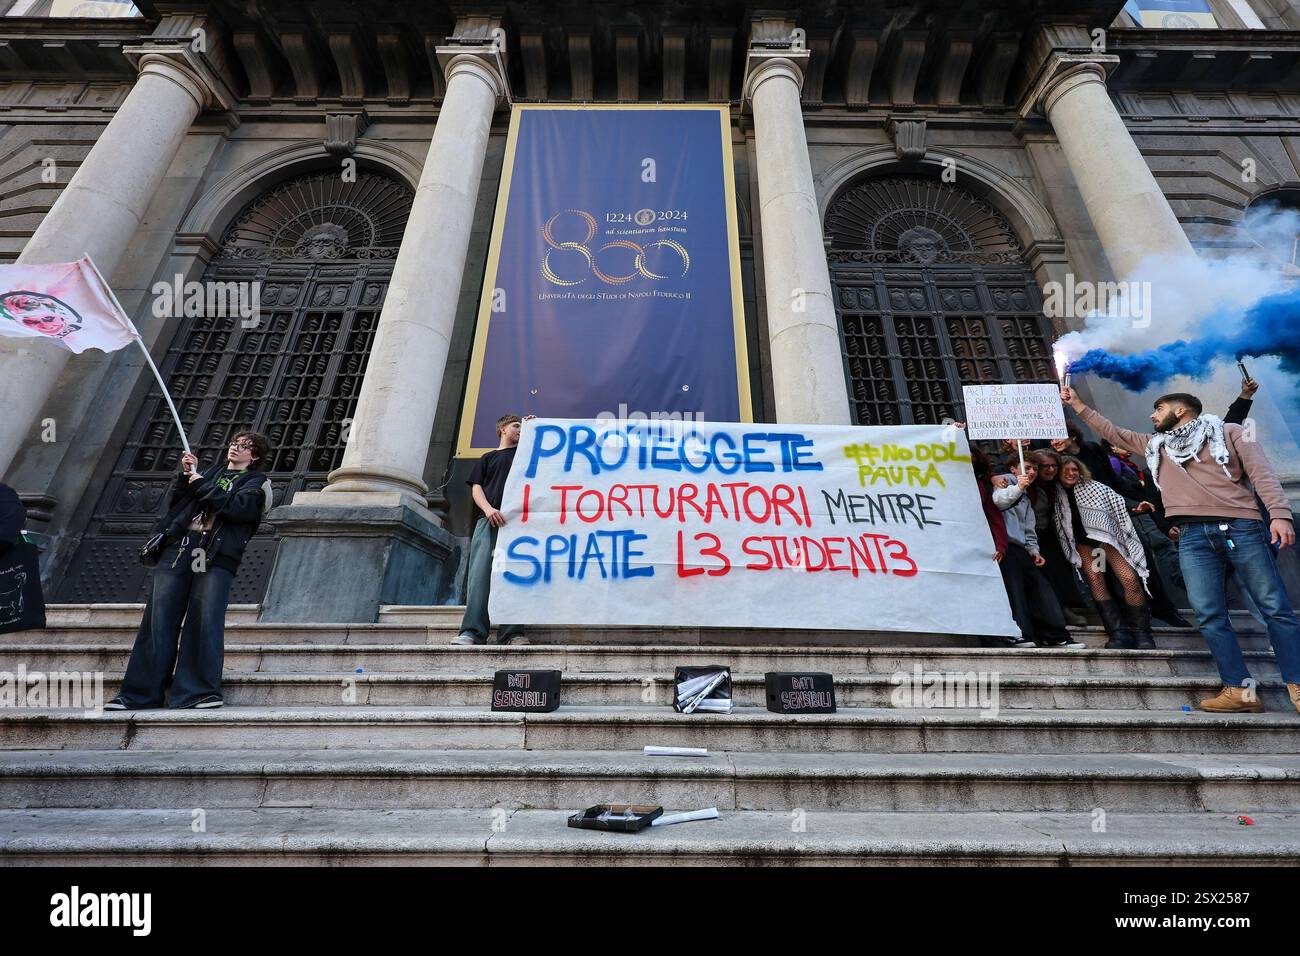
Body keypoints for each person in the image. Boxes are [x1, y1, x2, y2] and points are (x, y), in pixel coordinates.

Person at [1063, 386, 1298, 713]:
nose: (1151, 415)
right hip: (1191, 536)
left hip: (1241, 527)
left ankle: (1297, 686)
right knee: (1209, 613)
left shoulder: (1229, 432)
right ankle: (1239, 691)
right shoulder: (1156, 446)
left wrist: (1280, 515)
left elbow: (1263, 476)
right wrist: (1078, 405)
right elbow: (1114, 432)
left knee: (1275, 607)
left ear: (1182, 410)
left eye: (1158, 409)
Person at [106, 432, 274, 710]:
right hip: (180, 549)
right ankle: (138, 694)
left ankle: (197, 693)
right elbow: (178, 506)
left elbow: (239, 510)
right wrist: (186, 477)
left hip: (216, 556)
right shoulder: (208, 473)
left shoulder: (256, 482)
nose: (235, 448)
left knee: (204, 621)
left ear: (253, 456)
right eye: (234, 443)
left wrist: (203, 484)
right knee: (158, 621)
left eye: (244, 446)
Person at [1053, 456, 1155, 649]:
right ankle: (1118, 633)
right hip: (1085, 545)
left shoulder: (1094, 488)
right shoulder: (1055, 494)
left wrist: (1135, 505)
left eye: (1075, 469)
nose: (1071, 473)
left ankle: (1142, 633)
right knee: (1096, 580)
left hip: (1106, 540)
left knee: (1130, 579)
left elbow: (1116, 500)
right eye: (1066, 470)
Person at [453, 413, 535, 647]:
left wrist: (534, 426)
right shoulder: (487, 458)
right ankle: (472, 632)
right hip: (488, 521)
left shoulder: (525, 455)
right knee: (480, 576)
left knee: (515, 574)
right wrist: (489, 510)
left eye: (521, 426)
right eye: (516, 425)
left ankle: (513, 633)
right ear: (502, 429)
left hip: (518, 525)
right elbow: (476, 488)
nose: (520, 430)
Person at [992, 457, 1084, 648]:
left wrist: (1033, 550)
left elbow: (1028, 527)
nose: (1032, 472)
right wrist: (1017, 487)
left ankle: (1055, 635)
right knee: (1015, 591)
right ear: (1013, 469)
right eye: (1026, 468)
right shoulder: (1004, 481)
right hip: (1004, 546)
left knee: (1041, 590)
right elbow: (998, 502)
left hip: (1020, 548)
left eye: (1034, 468)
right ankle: (1017, 634)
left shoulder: (1026, 494)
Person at [969, 446, 1033, 648]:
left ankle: (1000, 635)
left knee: (993, 591)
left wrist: (1000, 545)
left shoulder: (982, 484)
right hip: (957, 548)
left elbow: (993, 514)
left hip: (981, 548)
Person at [1029, 450, 1090, 626]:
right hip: (1031, 534)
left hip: (1051, 533)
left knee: (1060, 569)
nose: (1050, 469)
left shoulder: (1056, 487)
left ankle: (1067, 606)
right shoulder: (1028, 484)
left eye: (1054, 466)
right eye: (1045, 466)